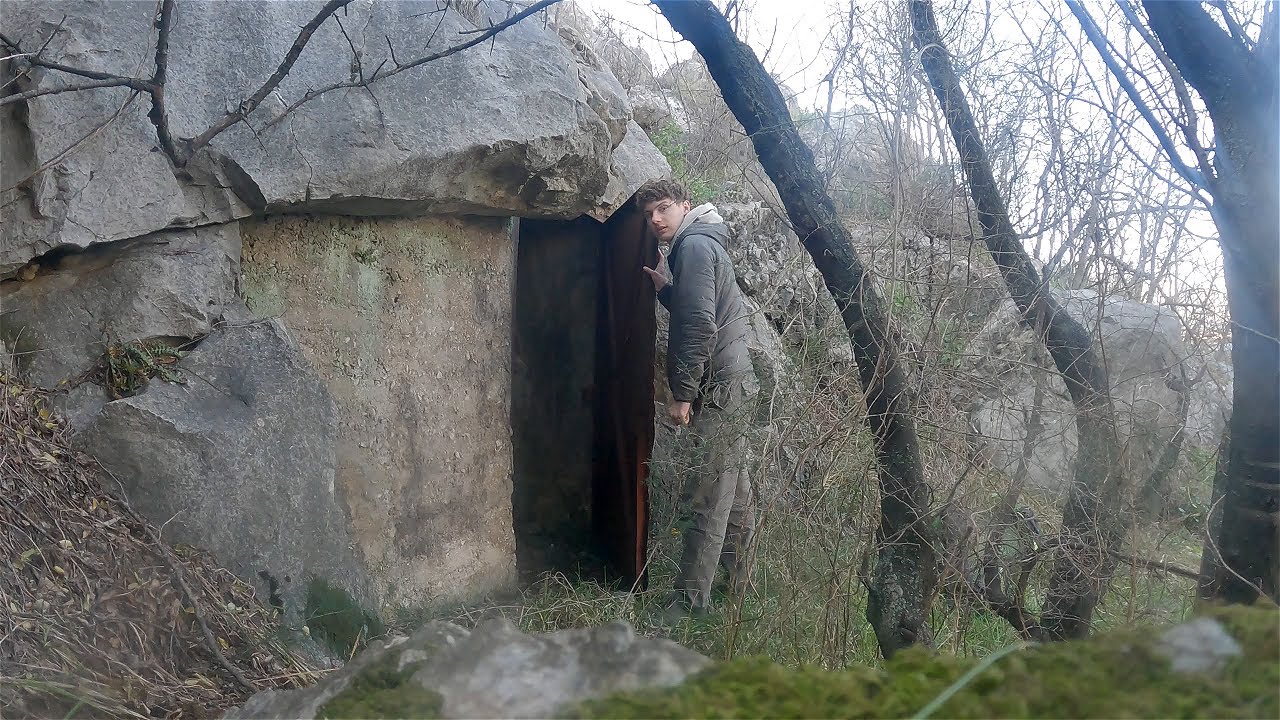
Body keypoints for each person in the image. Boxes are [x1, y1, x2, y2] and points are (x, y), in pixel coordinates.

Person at [636, 179, 759, 620]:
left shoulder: (693, 248)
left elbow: (699, 327)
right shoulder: (702, 242)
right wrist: (667, 291)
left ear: (686, 206)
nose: (655, 220)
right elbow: (704, 309)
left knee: (707, 495)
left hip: (719, 388)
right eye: (649, 213)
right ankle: (738, 586)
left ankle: (689, 606)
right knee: (735, 495)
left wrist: (682, 394)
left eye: (663, 208)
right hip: (735, 385)